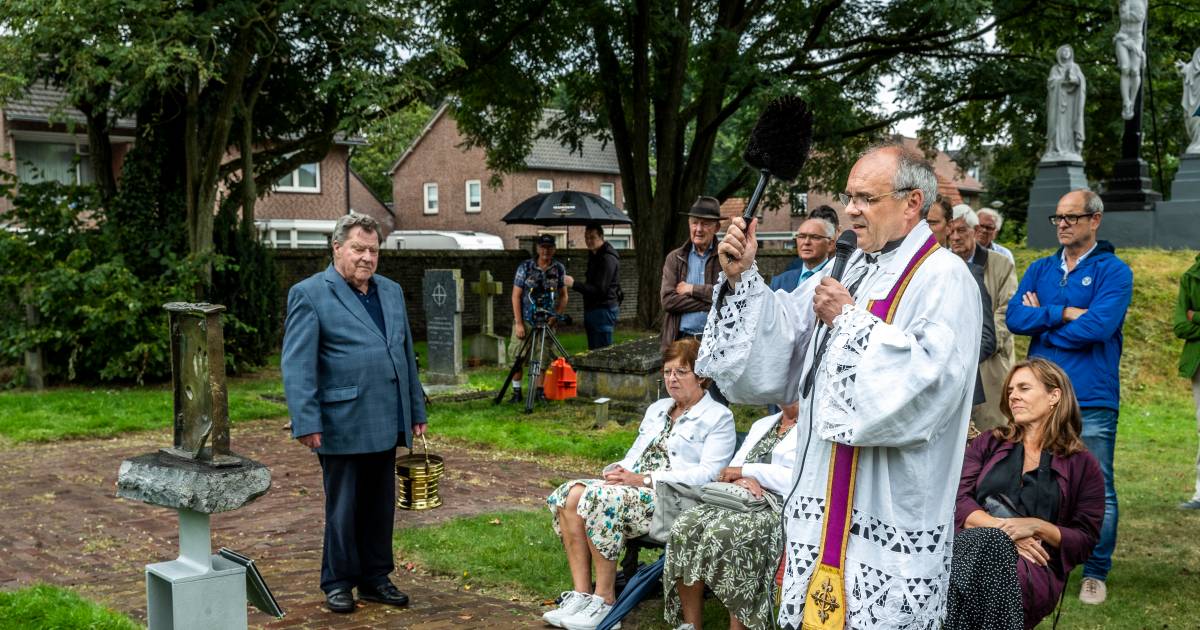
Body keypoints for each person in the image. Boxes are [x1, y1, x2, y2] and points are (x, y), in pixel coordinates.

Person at [698, 142, 982, 629]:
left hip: (886, 505)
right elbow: (788, 342)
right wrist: (744, 276)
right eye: (850, 196)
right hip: (822, 492)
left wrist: (848, 321)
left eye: (866, 198)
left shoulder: (945, 277)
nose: (851, 209)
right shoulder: (849, 264)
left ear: (912, 202)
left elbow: (929, 384)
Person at [281, 213, 428, 614]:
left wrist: (415, 409)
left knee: (380, 504)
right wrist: (306, 420)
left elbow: (405, 355)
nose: (367, 257)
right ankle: (339, 581)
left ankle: (376, 577)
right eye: (358, 249)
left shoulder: (391, 291)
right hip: (340, 420)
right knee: (344, 507)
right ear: (337, 248)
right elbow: (297, 364)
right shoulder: (310, 293)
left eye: (373, 250)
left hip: (387, 415)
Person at [543, 339, 736, 630]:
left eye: (681, 372)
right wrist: (618, 472)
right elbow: (635, 455)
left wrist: (644, 479)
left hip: (674, 498)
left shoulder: (718, 417)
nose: (672, 379)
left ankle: (604, 602)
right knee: (570, 494)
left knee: (598, 499)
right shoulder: (658, 409)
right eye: (668, 371)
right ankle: (582, 596)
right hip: (633, 489)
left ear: (701, 376)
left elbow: (708, 474)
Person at [1005, 190, 1132, 605]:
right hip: (1042, 397)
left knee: (1098, 486)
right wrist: (1061, 312)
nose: (1062, 224)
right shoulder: (1041, 268)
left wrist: (1043, 321)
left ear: (1095, 220)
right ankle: (1041, 560)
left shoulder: (1114, 272)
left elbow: (1098, 328)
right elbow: (1015, 318)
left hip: (1090, 396)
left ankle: (1095, 572)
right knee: (1037, 480)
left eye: (1072, 217)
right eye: (1058, 217)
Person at [948, 359, 1104, 630]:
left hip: (1033, 566)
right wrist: (1006, 533)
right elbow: (958, 501)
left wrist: (1036, 526)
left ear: (1054, 396)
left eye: (1024, 388)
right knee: (989, 551)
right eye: (1010, 390)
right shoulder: (989, 443)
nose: (1013, 396)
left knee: (990, 568)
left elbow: (1085, 540)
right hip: (970, 548)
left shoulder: (1081, 464)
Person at [663, 401, 799, 630]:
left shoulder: (813, 428)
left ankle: (740, 625)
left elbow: (798, 478)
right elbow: (731, 469)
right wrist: (742, 477)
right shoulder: (763, 423)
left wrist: (749, 472)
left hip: (779, 505)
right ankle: (690, 625)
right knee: (685, 525)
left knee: (730, 534)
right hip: (738, 498)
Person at [949, 204, 1018, 430]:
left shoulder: (1001, 264)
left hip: (990, 363)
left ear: (975, 230)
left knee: (994, 433)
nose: (955, 237)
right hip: (951, 364)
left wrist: (979, 347)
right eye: (951, 231)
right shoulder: (942, 265)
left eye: (962, 230)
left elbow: (1007, 310)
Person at [661, 196, 725, 353]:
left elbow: (728, 296)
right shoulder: (675, 258)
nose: (699, 229)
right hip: (681, 339)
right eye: (695, 222)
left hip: (716, 342)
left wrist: (692, 289)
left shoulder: (726, 258)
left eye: (705, 224)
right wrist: (710, 302)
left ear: (717, 227)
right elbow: (668, 301)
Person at [510, 234, 568, 401]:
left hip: (547, 321)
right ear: (537, 248)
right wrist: (519, 323)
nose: (546, 251)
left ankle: (539, 391)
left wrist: (555, 316)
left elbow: (564, 296)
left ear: (554, 249)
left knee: (542, 356)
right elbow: (515, 296)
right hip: (526, 319)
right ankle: (516, 392)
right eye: (543, 247)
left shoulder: (558, 269)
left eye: (549, 247)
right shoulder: (525, 267)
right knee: (517, 356)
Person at [566, 222, 622, 350]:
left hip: (603, 310)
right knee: (593, 351)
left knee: (602, 352)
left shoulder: (607, 259)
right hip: (593, 309)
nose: (588, 241)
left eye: (592, 237)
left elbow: (600, 290)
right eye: (586, 237)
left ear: (601, 237)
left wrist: (574, 284)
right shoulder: (595, 255)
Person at [1173, 252, 1200, 510]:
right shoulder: (1191, 276)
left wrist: (1197, 316)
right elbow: (1180, 326)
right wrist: (1189, 318)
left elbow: (1190, 320)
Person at [1044, 44, 1086, 162]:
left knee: (1070, 125)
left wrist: (1073, 80)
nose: (1066, 53)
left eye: (1068, 51)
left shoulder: (1075, 67)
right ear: (1059, 54)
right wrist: (1062, 80)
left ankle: (1070, 149)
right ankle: (1054, 149)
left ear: (1071, 54)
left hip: (1071, 101)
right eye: (1063, 51)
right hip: (1057, 102)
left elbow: (1081, 81)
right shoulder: (1055, 68)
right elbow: (1050, 83)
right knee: (1056, 124)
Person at [770, 217, 835, 293]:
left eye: (815, 237)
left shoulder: (839, 279)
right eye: (802, 236)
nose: (806, 242)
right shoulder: (779, 282)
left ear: (830, 244)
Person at [1115, 0, 1147, 120]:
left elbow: (1140, 17)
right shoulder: (1124, 1)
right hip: (1123, 37)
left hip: (1136, 38)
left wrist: (1132, 14)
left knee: (1134, 70)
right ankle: (1126, 101)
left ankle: (1131, 102)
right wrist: (1132, 14)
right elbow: (1124, 17)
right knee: (1125, 68)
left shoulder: (1143, 1)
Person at [784, 205, 840, 273]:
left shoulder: (847, 266)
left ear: (838, 230)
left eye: (815, 237)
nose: (807, 242)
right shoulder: (794, 267)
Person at [1177, 47, 1200, 154]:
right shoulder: (1198, 52)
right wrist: (1185, 68)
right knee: (1195, 117)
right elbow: (1194, 67)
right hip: (1196, 94)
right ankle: (1197, 142)